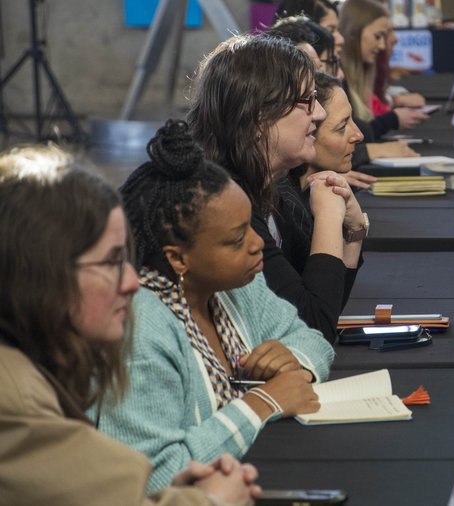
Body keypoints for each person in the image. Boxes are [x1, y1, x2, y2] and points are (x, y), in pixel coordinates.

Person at [0, 145, 259, 505]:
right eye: (111, 262)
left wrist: (164, 495)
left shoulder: (30, 368)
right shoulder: (13, 401)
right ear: (42, 276)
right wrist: (211, 502)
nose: (132, 283)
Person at [101, 120, 335, 492]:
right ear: (178, 259)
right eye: (236, 238)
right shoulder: (140, 331)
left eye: (250, 227)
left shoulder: (235, 286)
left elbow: (312, 339)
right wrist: (263, 402)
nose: (258, 243)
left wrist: (294, 364)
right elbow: (155, 476)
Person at [187, 34, 363, 343]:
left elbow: (323, 303)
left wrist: (354, 233)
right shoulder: (226, 208)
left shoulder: (273, 188)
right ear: (259, 118)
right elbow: (312, 327)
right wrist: (329, 217)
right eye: (308, 101)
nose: (319, 113)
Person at [278, 72, 367, 280]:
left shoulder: (303, 195)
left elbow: (333, 298)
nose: (358, 135)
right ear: (308, 132)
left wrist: (355, 231)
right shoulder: (285, 207)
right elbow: (317, 311)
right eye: (342, 127)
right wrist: (332, 217)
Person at [338, 0, 427, 132]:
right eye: (377, 36)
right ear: (354, 33)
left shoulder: (363, 75)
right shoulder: (339, 78)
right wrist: (392, 119)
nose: (382, 46)